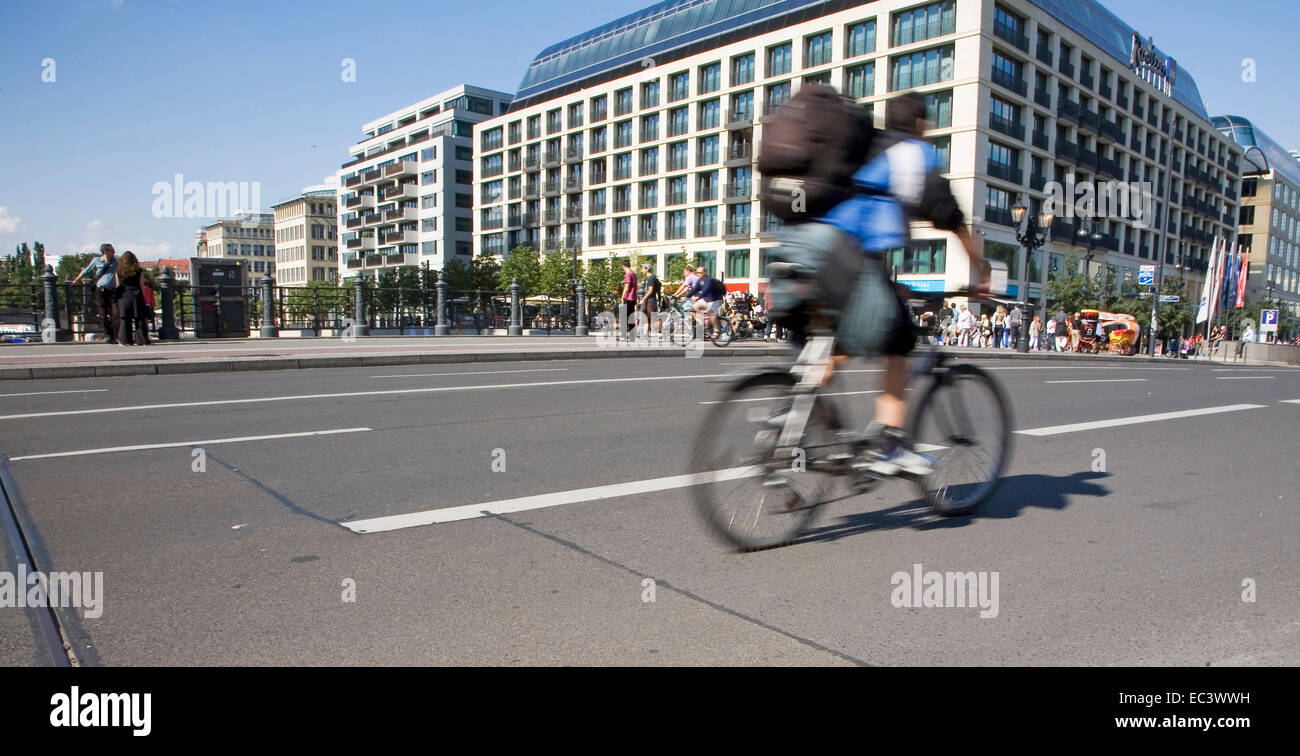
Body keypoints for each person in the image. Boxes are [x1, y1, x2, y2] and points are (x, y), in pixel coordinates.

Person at [785, 91, 989, 477]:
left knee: (844, 337)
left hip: (808, 246)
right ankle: (890, 445)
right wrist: (982, 273)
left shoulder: (865, 145)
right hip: (848, 255)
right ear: (921, 124)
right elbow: (950, 217)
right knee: (900, 341)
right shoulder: (911, 153)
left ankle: (792, 408)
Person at [72, 243, 120, 343]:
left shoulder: (115, 261)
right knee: (103, 313)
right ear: (105, 251)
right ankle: (108, 335)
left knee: (115, 312)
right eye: (111, 250)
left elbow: (120, 272)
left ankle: (116, 334)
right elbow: (86, 271)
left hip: (111, 290)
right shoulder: (97, 260)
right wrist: (75, 280)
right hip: (100, 289)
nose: (114, 252)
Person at [113, 251, 150, 346]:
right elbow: (142, 285)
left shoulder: (118, 272)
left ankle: (124, 340)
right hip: (136, 295)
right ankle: (142, 340)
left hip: (124, 295)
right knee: (139, 318)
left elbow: (118, 285)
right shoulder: (139, 271)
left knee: (125, 319)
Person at [685, 266, 724, 338]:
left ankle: (717, 331)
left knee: (712, 314)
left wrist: (698, 297)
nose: (698, 274)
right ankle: (701, 322)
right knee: (692, 309)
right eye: (697, 273)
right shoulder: (699, 281)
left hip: (716, 299)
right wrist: (686, 297)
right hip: (706, 300)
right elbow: (694, 290)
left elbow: (706, 290)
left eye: (700, 273)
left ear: (704, 273)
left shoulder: (709, 280)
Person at [637, 262, 661, 339]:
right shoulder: (647, 278)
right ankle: (644, 335)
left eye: (643, 268)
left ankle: (661, 333)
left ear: (647, 269)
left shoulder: (651, 278)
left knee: (654, 319)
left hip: (651, 301)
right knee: (645, 317)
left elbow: (650, 290)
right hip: (647, 301)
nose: (642, 270)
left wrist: (643, 299)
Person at [619, 259, 638, 339]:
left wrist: (622, 297)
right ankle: (632, 335)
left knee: (624, 317)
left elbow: (627, 287)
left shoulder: (628, 274)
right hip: (633, 297)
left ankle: (623, 335)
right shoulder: (634, 274)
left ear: (623, 266)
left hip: (628, 298)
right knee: (631, 317)